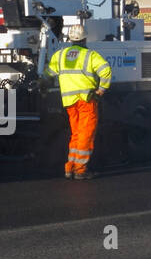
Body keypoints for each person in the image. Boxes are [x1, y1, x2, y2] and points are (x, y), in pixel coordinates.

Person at [44, 35, 112, 179]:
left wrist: (41, 84)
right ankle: (80, 170)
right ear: (84, 39)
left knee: (76, 134)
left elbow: (48, 74)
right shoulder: (90, 55)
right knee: (86, 135)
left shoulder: (60, 55)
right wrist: (101, 90)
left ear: (71, 39)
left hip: (69, 101)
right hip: (86, 100)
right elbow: (106, 70)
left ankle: (70, 167)